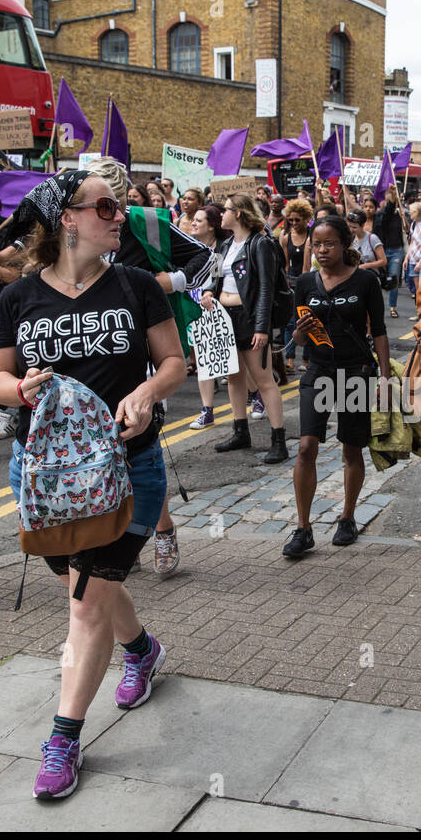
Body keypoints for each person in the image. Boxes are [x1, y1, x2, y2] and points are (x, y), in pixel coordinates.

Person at [0, 170, 187, 799]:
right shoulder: (17, 299)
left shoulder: (135, 286)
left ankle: (63, 739)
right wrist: (18, 390)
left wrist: (148, 392)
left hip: (129, 470)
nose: (119, 215)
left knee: (85, 603)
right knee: (88, 585)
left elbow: (175, 361)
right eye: (106, 206)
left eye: (120, 205)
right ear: (66, 219)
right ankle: (143, 650)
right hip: (44, 476)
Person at [94, 155, 210, 577]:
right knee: (104, 450)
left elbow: (203, 258)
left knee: (139, 443)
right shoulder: (68, 232)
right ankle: (121, 535)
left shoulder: (147, 225)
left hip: (142, 348)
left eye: (109, 202)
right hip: (92, 349)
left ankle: (161, 529)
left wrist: (168, 282)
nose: (105, 213)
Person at [282, 215, 391, 558]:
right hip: (318, 371)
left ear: (346, 244)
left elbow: (380, 332)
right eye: (317, 244)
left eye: (329, 244)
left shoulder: (365, 281)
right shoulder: (304, 283)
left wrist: (385, 378)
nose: (322, 250)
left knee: (351, 449)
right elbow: (298, 338)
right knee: (305, 447)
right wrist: (300, 329)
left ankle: (347, 517)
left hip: (355, 372)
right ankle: (303, 528)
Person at [200, 194, 289, 463]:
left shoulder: (260, 244)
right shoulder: (225, 245)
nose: (221, 215)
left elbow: (265, 288)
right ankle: (240, 430)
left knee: (263, 380)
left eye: (225, 210)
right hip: (224, 317)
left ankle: (279, 440)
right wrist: (207, 290)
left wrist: (262, 327)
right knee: (233, 376)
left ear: (238, 213)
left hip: (250, 317)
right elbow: (213, 275)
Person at [187, 204, 226, 429]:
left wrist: (208, 292)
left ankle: (254, 394)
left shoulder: (222, 249)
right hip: (196, 310)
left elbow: (217, 279)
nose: (193, 223)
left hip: (219, 309)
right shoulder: (190, 247)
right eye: (193, 219)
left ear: (211, 226)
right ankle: (207, 410)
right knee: (204, 360)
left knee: (233, 365)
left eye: (199, 220)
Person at [279, 198, 313, 373]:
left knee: (307, 321)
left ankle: (306, 360)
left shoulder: (311, 237)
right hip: (290, 281)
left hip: (306, 281)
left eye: (297, 220)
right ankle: (290, 359)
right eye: (290, 219)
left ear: (306, 218)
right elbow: (284, 264)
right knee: (290, 323)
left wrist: (306, 287)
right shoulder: (286, 237)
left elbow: (307, 267)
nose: (293, 223)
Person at [368, 184, 406, 316]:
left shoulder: (400, 213)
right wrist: (391, 197)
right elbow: (387, 210)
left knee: (393, 277)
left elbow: (407, 229)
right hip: (381, 251)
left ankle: (392, 307)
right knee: (380, 280)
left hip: (396, 250)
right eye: (385, 197)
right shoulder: (379, 215)